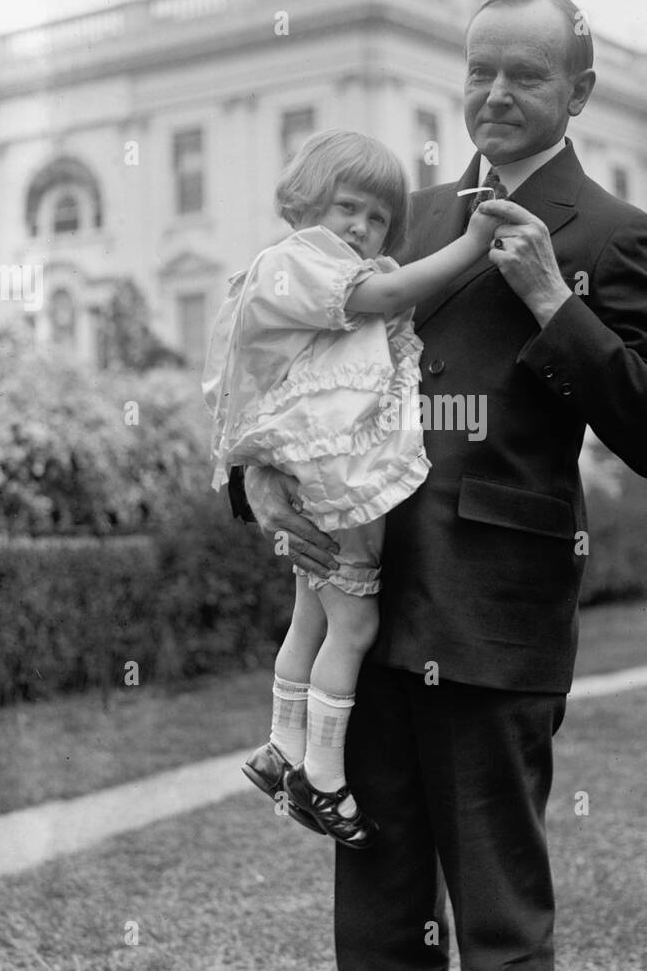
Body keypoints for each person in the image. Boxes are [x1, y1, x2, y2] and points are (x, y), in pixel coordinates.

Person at [238, 0, 647, 971]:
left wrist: (553, 301)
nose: (494, 93)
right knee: (377, 935)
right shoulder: (403, 218)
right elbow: (294, 366)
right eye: (479, 70)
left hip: (492, 621)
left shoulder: (614, 231)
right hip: (368, 609)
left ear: (578, 92)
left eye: (524, 75)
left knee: (501, 934)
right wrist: (257, 484)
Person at [203, 129, 501, 849]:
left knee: (311, 616)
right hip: (335, 473)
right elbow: (389, 294)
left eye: (377, 217)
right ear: (305, 201)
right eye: (347, 207)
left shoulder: (310, 266)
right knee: (355, 624)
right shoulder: (299, 262)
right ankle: (324, 778)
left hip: (320, 470)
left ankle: (281, 746)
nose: (362, 227)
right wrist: (473, 243)